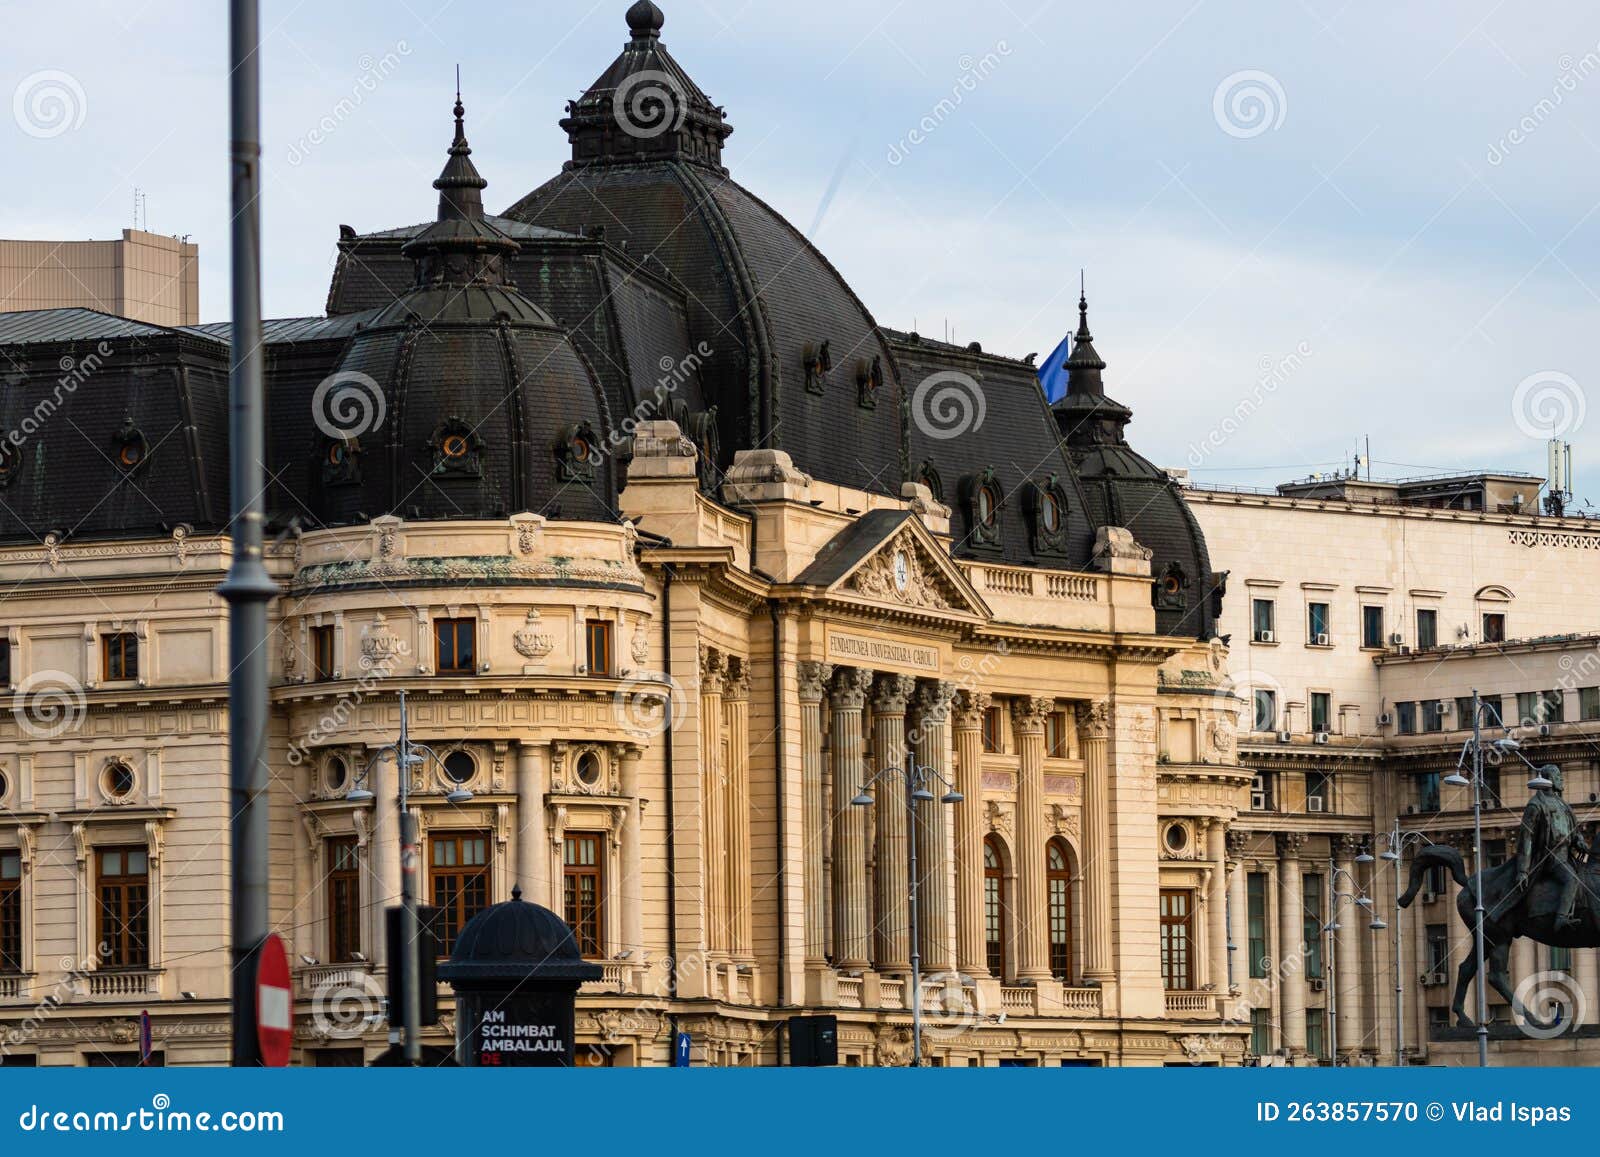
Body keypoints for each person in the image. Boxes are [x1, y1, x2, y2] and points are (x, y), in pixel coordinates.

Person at [1514, 765, 1583, 931]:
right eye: (1558, 776)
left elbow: (1575, 831)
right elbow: (1526, 838)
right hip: (1549, 858)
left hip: (1567, 855)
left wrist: (1579, 841)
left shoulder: (1563, 805)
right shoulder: (1536, 805)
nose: (1562, 779)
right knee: (1571, 879)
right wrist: (1523, 870)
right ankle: (1561, 918)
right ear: (1550, 780)